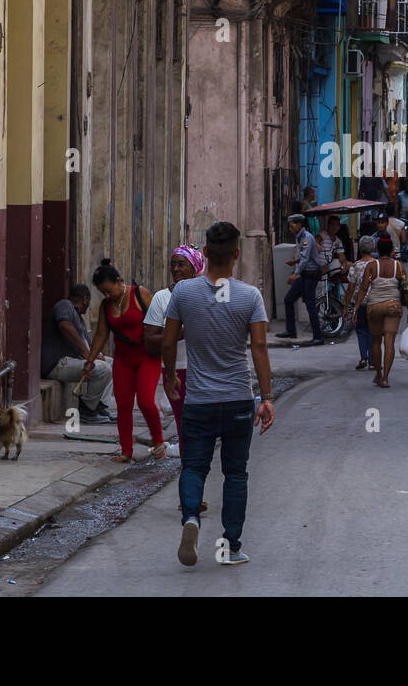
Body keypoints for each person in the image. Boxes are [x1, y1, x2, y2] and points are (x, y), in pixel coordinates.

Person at [163, 221, 273, 567]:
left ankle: (191, 518)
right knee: (236, 473)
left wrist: (168, 376)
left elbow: (167, 341)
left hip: (198, 400)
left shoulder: (183, 293)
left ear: (205, 252)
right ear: (237, 254)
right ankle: (231, 547)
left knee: (194, 467)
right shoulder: (249, 296)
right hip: (238, 398)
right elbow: (259, 347)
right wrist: (266, 397)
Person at [84, 259, 165, 463]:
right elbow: (101, 335)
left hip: (147, 356)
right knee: (123, 404)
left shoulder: (141, 294)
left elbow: (162, 319)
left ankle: (159, 442)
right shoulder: (105, 306)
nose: (108, 295)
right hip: (123, 360)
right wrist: (90, 361)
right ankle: (126, 450)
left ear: (119, 281)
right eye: (103, 293)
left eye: (110, 290)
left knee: (146, 401)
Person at [143, 245, 207, 460]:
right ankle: (189, 466)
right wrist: (178, 334)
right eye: (173, 264)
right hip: (177, 370)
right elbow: (150, 340)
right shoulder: (161, 298)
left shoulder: (207, 295)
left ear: (195, 267)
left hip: (205, 368)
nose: (176, 269)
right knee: (183, 422)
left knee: (202, 424)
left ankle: (194, 463)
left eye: (182, 264)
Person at [42, 284, 116, 424]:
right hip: (56, 363)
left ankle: (98, 407)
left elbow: (89, 348)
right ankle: (87, 410)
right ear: (85, 299)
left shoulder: (79, 320)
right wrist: (86, 353)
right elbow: (64, 325)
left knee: (112, 364)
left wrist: (95, 355)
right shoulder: (65, 305)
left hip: (71, 361)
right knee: (104, 369)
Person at [346, 238, 408, 388]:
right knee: (389, 341)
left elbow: (363, 289)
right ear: (391, 250)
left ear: (377, 249)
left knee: (375, 341)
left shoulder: (372, 266)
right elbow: (406, 290)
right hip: (394, 306)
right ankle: (385, 378)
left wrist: (356, 308)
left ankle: (377, 373)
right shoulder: (399, 266)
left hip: (375, 306)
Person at [278, 214, 324, 346]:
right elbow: (305, 256)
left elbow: (305, 259)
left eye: (292, 224)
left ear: (299, 225)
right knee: (289, 299)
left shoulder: (307, 238)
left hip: (310, 274)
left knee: (310, 305)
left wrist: (295, 274)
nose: (290, 228)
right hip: (305, 274)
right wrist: (295, 261)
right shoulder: (300, 237)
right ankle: (291, 331)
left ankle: (318, 337)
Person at [347, 236, 376, 370]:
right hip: (374, 302)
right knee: (373, 331)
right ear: (373, 248)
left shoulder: (355, 266)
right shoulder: (377, 264)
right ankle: (372, 361)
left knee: (361, 330)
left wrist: (346, 306)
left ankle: (363, 357)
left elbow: (351, 288)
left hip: (360, 303)